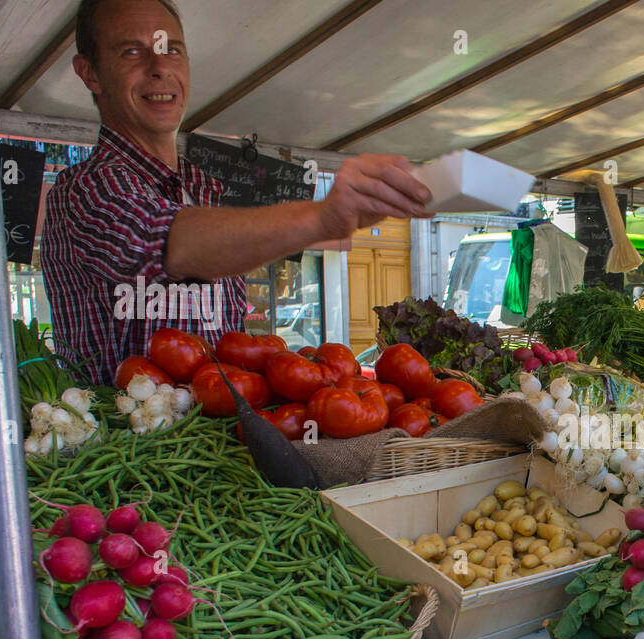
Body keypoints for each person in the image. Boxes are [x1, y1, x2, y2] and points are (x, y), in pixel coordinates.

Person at [42, 0, 432, 385]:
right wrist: (323, 217)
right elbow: (171, 244)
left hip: (220, 440)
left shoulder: (202, 187)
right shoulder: (86, 189)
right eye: (131, 51)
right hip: (130, 444)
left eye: (171, 50)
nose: (159, 68)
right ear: (90, 73)